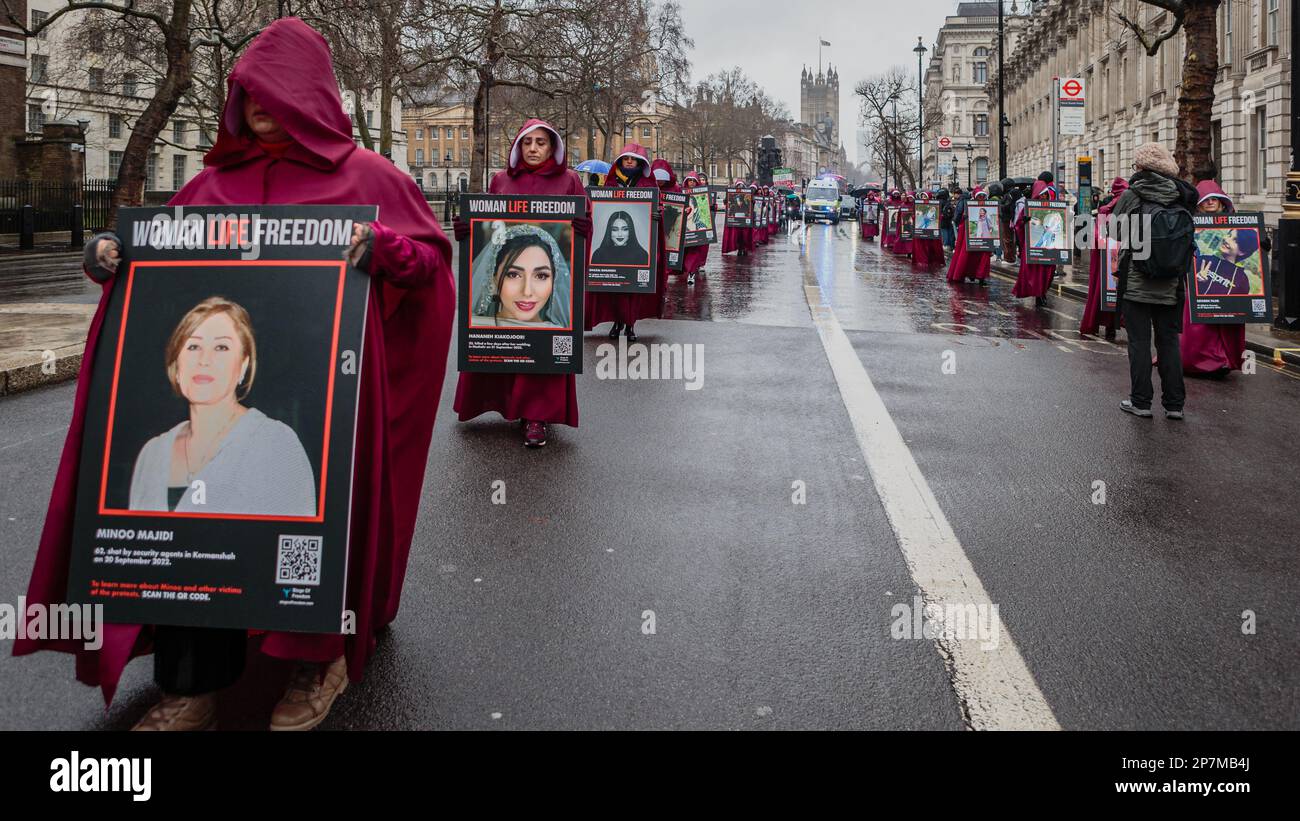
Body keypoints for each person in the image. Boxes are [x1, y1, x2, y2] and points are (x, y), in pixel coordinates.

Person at [18, 18, 456, 730]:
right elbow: (158, 268)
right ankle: (191, 682)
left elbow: (431, 263)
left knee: (318, 524)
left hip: (326, 402)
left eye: (273, 90)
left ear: (309, 94)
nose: (256, 102)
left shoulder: (370, 178)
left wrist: (383, 249)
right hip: (206, 407)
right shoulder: (210, 184)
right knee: (191, 530)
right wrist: (108, 253)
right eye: (246, 90)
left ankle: (323, 660)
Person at [454, 119, 589, 449]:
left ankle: (536, 416)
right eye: (527, 142)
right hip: (511, 275)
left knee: (540, 343)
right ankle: (503, 403)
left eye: (541, 143)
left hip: (544, 275)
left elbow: (584, 226)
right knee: (506, 336)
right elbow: (490, 222)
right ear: (517, 146)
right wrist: (468, 230)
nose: (533, 149)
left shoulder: (569, 180)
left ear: (552, 147)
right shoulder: (501, 179)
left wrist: (583, 231)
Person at [128, 296, 316, 515]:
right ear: (176, 366)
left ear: (243, 364)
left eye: (221, 347)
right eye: (193, 346)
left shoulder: (276, 444)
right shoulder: (152, 453)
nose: (204, 359)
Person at [1109, 142, 1197, 419]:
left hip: (1137, 281)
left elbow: (1115, 230)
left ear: (1141, 167)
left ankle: (1141, 402)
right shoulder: (1182, 194)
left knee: (1139, 343)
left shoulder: (1134, 193)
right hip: (1171, 282)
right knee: (1169, 342)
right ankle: (1174, 405)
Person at [584, 144, 661, 342]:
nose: (629, 162)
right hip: (611, 257)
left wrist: (656, 215)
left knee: (633, 292)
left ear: (640, 162)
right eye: (626, 158)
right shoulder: (610, 184)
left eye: (633, 159)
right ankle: (617, 322)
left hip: (634, 258)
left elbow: (657, 211)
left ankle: (630, 325)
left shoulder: (647, 186)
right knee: (614, 290)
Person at [1179, 180, 1254, 375]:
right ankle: (1194, 359)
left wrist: (1262, 241)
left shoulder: (1235, 224)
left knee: (1223, 322)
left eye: (1215, 198)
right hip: (1197, 279)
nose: (1211, 202)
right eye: (1206, 199)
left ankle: (1222, 359)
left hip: (1227, 281)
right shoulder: (1189, 222)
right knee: (1198, 324)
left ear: (1222, 202)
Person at [1081, 177, 1129, 340]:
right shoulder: (1105, 211)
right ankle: (1110, 326)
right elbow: (1097, 237)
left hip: (1125, 258)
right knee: (1109, 293)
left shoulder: (1131, 209)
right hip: (1109, 259)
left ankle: (1120, 325)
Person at [1012, 173, 1059, 306]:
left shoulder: (1054, 207)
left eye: (1045, 195)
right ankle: (1039, 294)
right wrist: (1023, 221)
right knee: (1034, 273)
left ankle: (1043, 292)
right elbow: (1018, 225)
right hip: (1034, 246)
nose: (1043, 197)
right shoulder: (1028, 207)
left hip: (1049, 245)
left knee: (1048, 272)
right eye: (1041, 195)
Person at [946, 188, 992, 285]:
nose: (981, 198)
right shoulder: (970, 207)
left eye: (983, 197)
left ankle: (981, 277)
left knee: (983, 258)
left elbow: (991, 223)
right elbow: (964, 222)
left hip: (985, 237)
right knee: (968, 256)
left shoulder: (989, 208)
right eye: (979, 196)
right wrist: (965, 218)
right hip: (973, 236)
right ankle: (968, 274)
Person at [681, 172, 710, 285]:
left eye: (694, 181)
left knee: (694, 253)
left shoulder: (702, 195)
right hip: (684, 230)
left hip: (696, 234)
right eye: (690, 180)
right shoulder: (681, 193)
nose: (691, 183)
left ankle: (691, 273)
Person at [912, 191, 945, 267]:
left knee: (932, 247)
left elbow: (936, 217)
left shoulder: (934, 206)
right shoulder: (919, 205)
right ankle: (921, 260)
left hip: (931, 230)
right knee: (921, 246)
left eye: (925, 196)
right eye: (922, 196)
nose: (923, 198)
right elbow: (918, 215)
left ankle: (933, 260)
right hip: (921, 231)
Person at [998, 178, 1020, 263]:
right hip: (1013, 218)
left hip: (1007, 219)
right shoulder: (1016, 193)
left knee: (1007, 239)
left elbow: (1007, 206)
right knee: (1012, 239)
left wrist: (1001, 204)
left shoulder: (1009, 194)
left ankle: (1009, 258)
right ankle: (1012, 257)